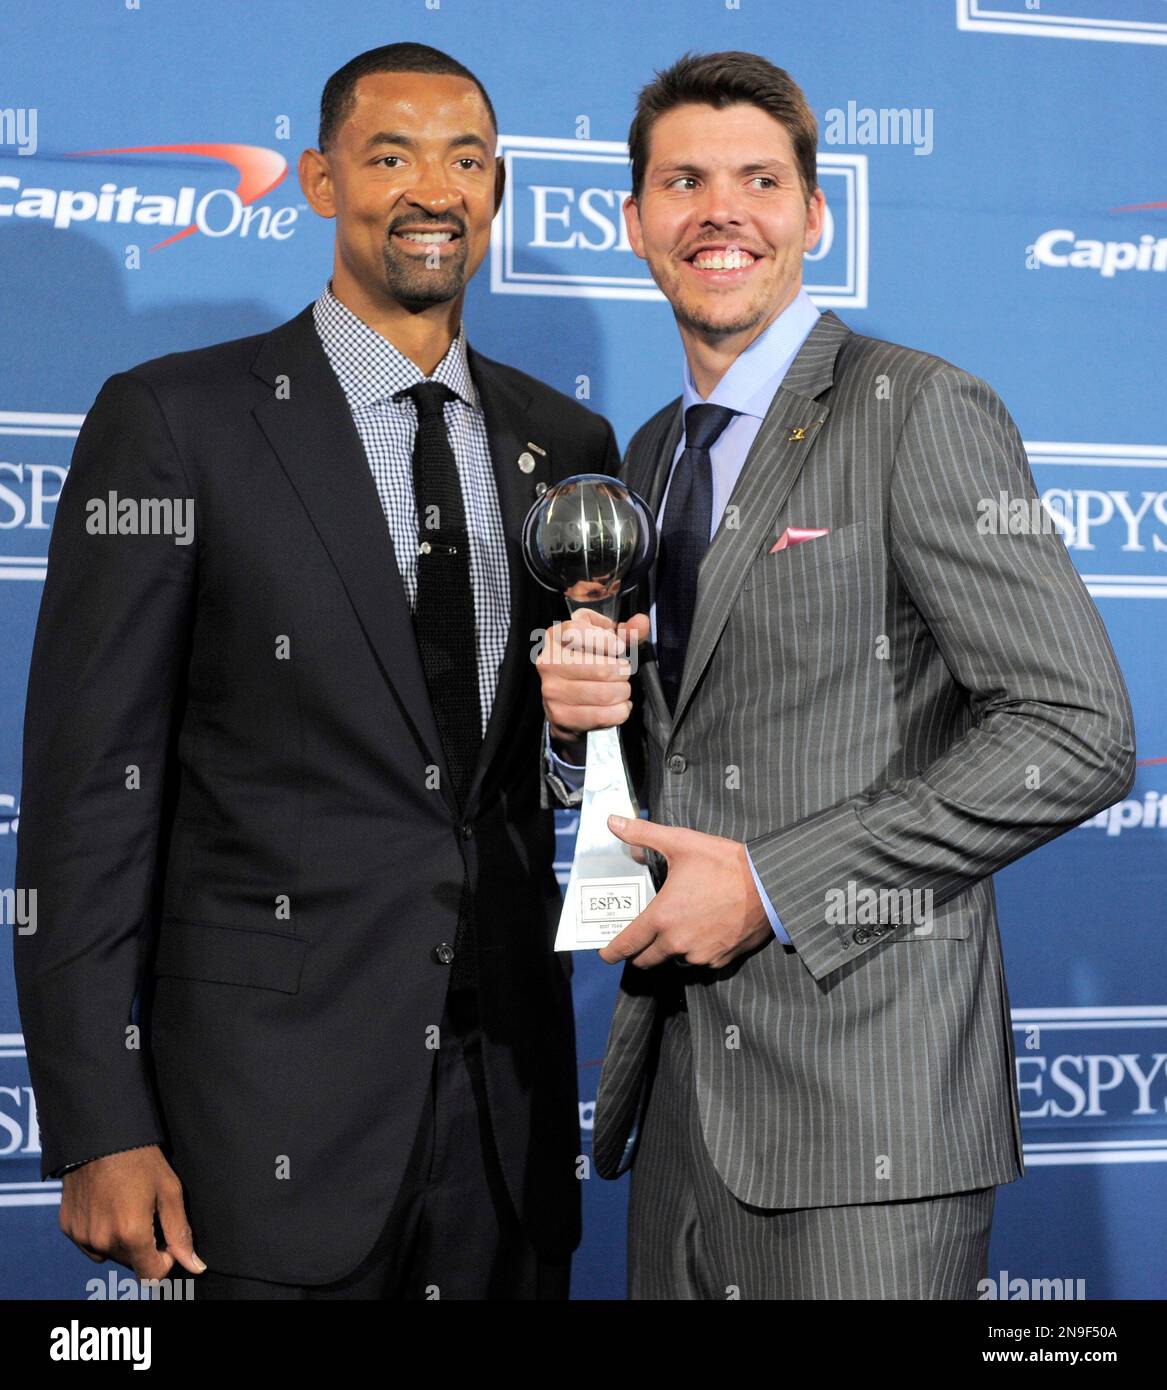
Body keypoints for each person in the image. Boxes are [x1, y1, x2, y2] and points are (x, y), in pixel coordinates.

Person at [15, 42, 618, 1300]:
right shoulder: (179, 422)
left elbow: (566, 768)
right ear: (317, 181)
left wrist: (578, 743)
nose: (430, 190)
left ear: (498, 189)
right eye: (388, 155)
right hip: (258, 1130)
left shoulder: (567, 447)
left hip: (503, 1131)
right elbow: (90, 798)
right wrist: (96, 1120)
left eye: (463, 159)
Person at [537, 50, 1135, 1300]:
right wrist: (575, 729)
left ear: (815, 215)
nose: (721, 211)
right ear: (636, 218)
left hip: (874, 1124)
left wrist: (771, 884)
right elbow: (665, 759)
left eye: (760, 180)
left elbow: (1078, 731)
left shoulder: (917, 408)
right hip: (687, 1118)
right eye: (683, 180)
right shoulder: (651, 452)